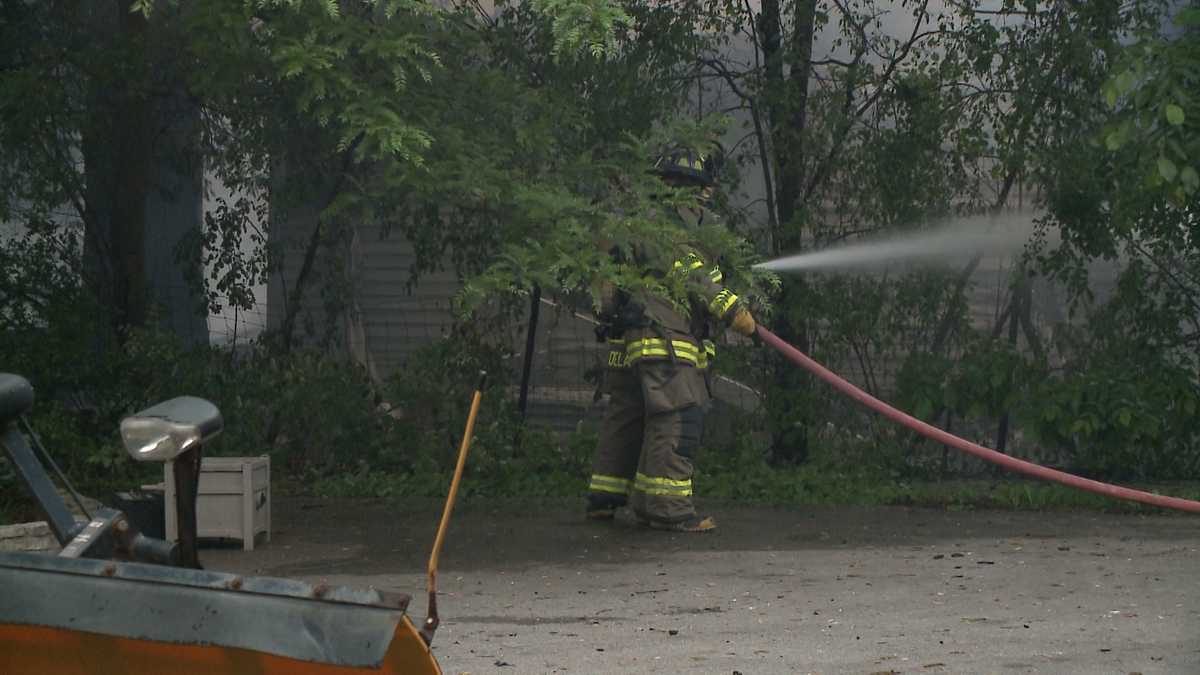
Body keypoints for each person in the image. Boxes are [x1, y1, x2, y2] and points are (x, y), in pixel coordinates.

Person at [585, 145, 757, 533]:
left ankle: (605, 497)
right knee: (679, 414)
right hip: (665, 334)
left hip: (631, 337)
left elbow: (607, 291)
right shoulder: (672, 223)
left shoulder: (635, 220)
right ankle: (667, 508)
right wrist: (733, 311)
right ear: (697, 186)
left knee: (627, 416)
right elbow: (693, 274)